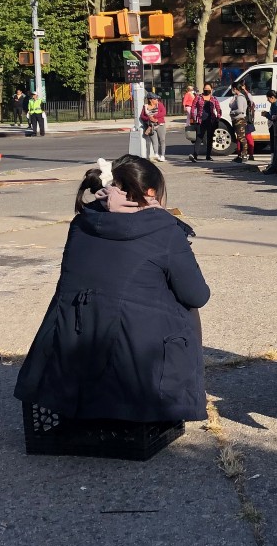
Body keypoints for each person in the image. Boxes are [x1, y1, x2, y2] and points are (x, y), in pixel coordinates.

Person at [15, 156, 210, 427]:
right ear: (151, 192)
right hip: (137, 362)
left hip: (75, 345)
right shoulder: (164, 229)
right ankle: (166, 397)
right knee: (185, 306)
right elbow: (197, 295)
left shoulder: (83, 221)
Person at [189, 84, 221, 162]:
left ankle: (208, 156)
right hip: (200, 120)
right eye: (205, 89)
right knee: (199, 138)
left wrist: (218, 117)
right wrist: (193, 116)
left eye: (208, 89)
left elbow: (218, 108)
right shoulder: (198, 97)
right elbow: (193, 107)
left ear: (211, 90)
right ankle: (195, 155)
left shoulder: (214, 99)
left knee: (210, 138)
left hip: (211, 121)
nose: (207, 90)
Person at [229, 83, 254, 163]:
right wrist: (234, 97)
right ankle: (240, 155)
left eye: (233, 88)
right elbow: (230, 104)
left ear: (235, 88)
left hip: (239, 119)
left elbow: (240, 110)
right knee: (240, 138)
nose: (232, 90)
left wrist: (233, 112)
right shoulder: (237, 97)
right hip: (237, 120)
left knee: (242, 138)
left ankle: (244, 155)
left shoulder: (240, 98)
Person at [141, 94, 167, 162]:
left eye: (157, 99)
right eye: (155, 99)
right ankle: (156, 154)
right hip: (151, 126)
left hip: (160, 124)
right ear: (150, 100)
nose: (156, 100)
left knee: (162, 140)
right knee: (154, 140)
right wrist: (149, 118)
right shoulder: (145, 106)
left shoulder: (159, 104)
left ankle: (162, 155)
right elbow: (142, 116)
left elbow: (163, 112)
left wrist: (154, 117)